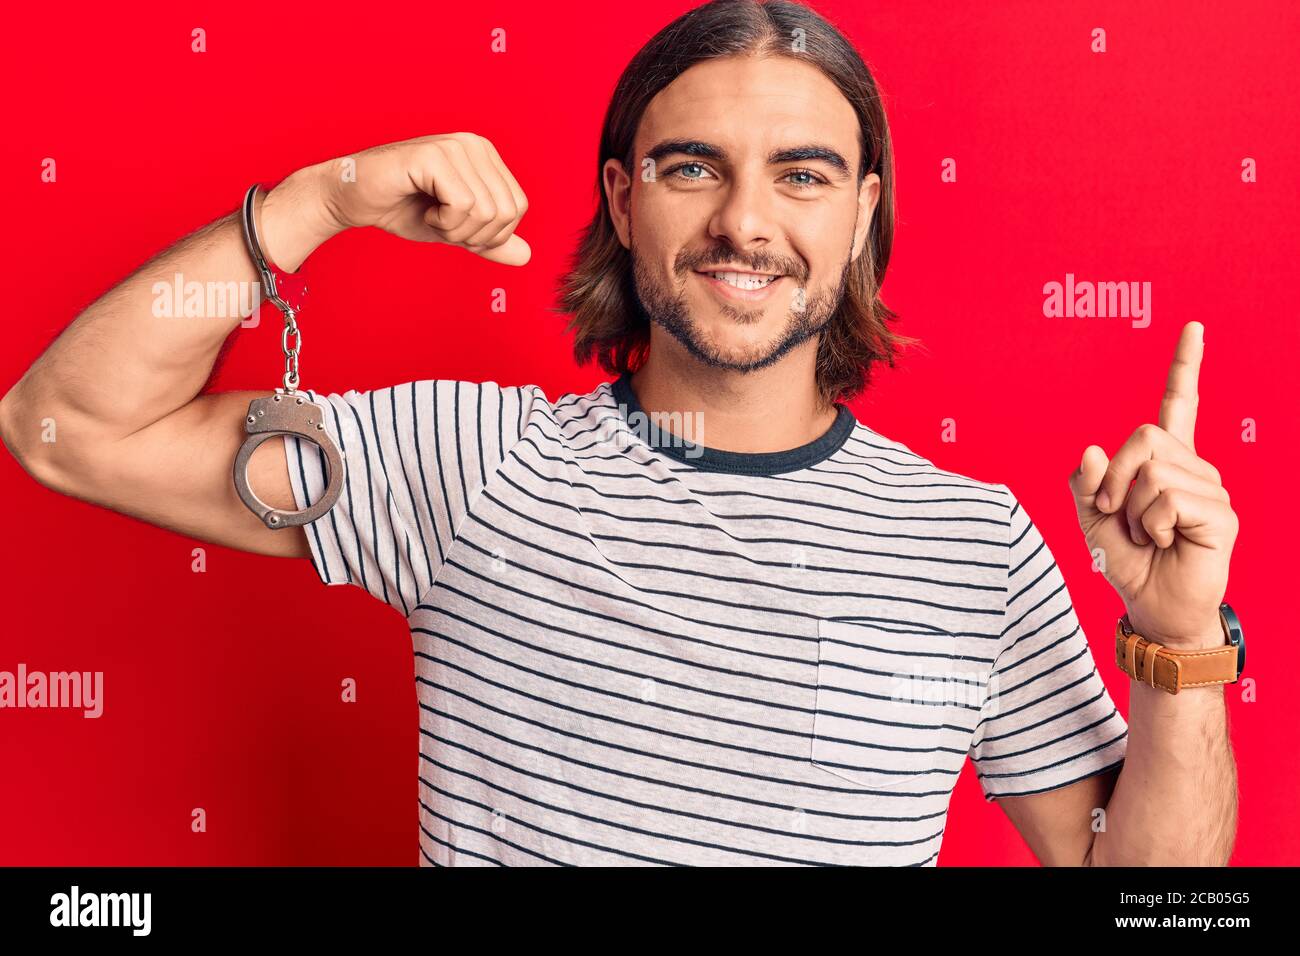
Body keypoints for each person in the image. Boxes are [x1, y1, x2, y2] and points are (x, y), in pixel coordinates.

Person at [0, 0, 1238, 866]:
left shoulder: (972, 545)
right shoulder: (468, 467)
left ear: (862, 214)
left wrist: (1181, 637)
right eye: (692, 166)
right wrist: (324, 200)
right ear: (620, 196)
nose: (745, 221)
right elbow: (63, 426)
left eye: (802, 175)